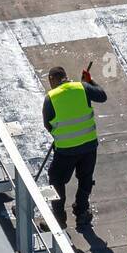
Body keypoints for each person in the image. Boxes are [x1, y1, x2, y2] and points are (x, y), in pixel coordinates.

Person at [42, 65, 106, 227]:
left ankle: (59, 219)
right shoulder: (82, 87)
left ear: (52, 79)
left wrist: (62, 135)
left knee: (56, 180)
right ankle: (81, 213)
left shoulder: (51, 97)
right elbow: (102, 96)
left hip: (66, 150)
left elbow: (48, 125)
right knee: (85, 179)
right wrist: (90, 81)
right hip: (89, 147)